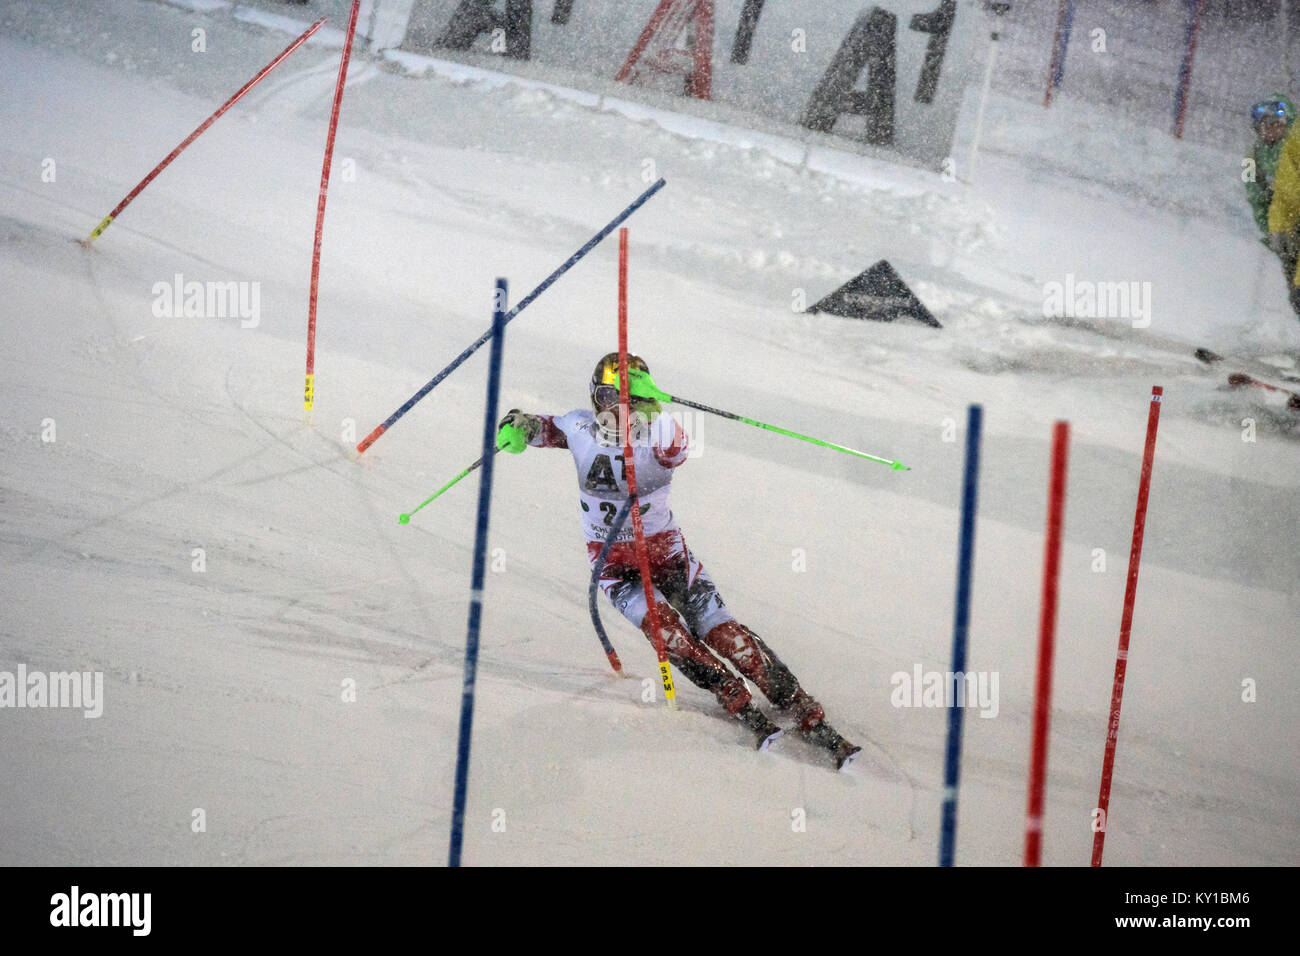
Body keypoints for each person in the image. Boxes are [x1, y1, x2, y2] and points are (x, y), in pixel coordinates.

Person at [496, 353, 862, 770]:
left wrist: (653, 412)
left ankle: (796, 702)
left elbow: (677, 447)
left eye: (624, 399)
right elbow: (540, 427)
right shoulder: (579, 426)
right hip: (616, 572)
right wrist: (518, 426)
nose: (612, 408)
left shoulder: (656, 436)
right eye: (604, 396)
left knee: (725, 636)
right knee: (667, 634)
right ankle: (731, 695)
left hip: (668, 557)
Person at [1258, 97, 1300, 318]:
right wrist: (1273, 228)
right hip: (1289, 228)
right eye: (1267, 124)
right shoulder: (1257, 154)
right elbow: (1266, 195)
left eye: (1278, 123)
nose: (1272, 130)